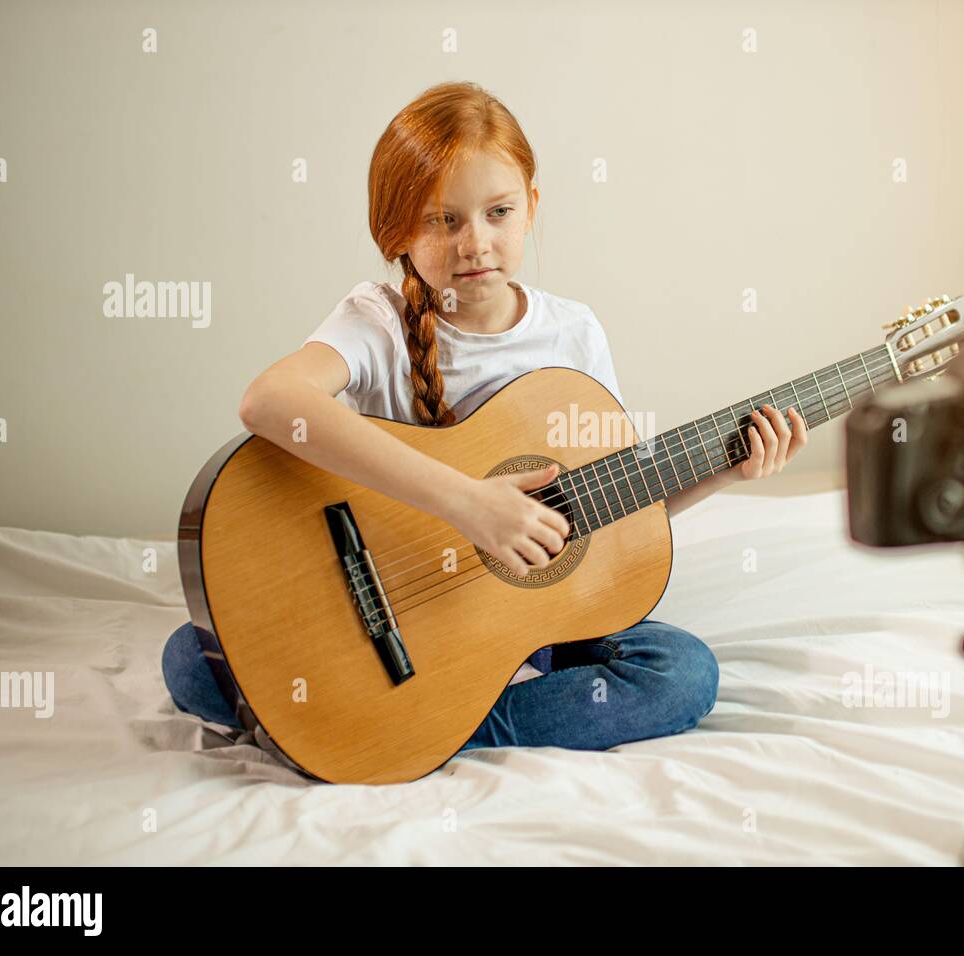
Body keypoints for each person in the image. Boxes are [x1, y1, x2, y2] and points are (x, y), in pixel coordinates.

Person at [162, 80, 807, 757]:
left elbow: (605, 512)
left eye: (498, 212)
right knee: (192, 659)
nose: (476, 242)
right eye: (445, 220)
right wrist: (469, 504)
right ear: (397, 231)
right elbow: (268, 402)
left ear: (530, 207)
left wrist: (724, 471)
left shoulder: (573, 334)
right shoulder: (376, 322)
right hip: (408, 613)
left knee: (682, 675)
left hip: (524, 619)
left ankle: (434, 725)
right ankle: (410, 711)